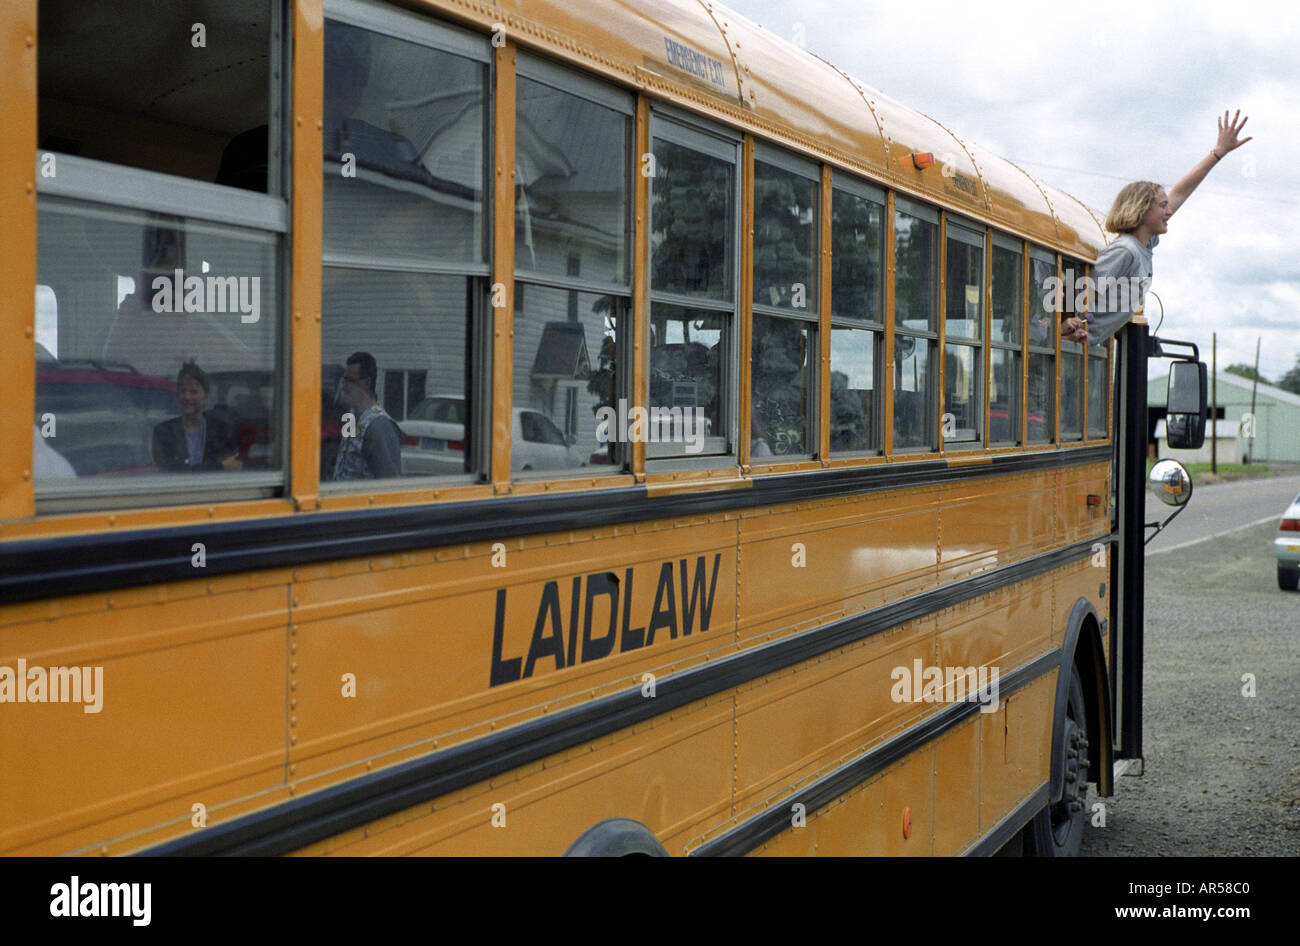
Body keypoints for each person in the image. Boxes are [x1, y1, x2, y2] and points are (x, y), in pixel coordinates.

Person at [1086, 110, 1252, 344]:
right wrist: (1071, 321)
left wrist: (1219, 154)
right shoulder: (1126, 250)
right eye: (1162, 206)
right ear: (1142, 210)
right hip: (1075, 340)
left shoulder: (1143, 244)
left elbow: (1180, 192)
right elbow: (1083, 289)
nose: (1169, 211)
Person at [152, 362, 242, 472]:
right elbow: (172, 472)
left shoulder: (222, 431)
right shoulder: (163, 432)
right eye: (182, 391)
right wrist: (218, 467)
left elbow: (232, 467)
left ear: (206, 395)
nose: (187, 396)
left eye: (193, 391)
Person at [331, 351, 402, 480]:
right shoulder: (351, 416)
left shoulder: (379, 426)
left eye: (349, 381)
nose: (343, 387)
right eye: (343, 380)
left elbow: (390, 484)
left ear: (367, 383)